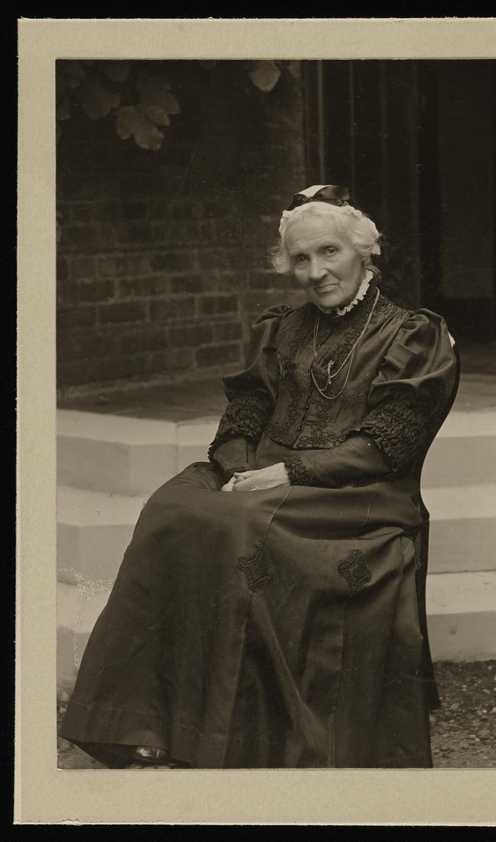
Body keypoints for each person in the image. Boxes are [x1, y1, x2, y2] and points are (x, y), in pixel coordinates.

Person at [61, 183, 459, 769]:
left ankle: (236, 734)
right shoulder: (280, 328)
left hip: (358, 494)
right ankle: (157, 721)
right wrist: (241, 466)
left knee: (240, 523)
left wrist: (286, 473)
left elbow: (384, 448)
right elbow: (243, 414)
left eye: (330, 252)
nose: (317, 272)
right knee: (173, 508)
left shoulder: (412, 337)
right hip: (265, 481)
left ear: (364, 252)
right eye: (301, 259)